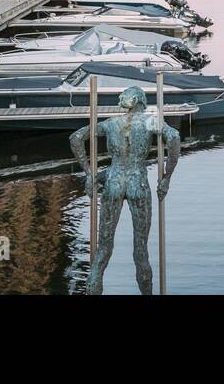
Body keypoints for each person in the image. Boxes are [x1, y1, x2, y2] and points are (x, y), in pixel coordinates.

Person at [70, 85, 181, 295]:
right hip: (137, 182)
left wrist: (89, 173)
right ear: (140, 101)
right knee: (141, 252)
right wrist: (167, 177)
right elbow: (174, 137)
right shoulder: (149, 121)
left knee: (102, 251)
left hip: (113, 181)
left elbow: (75, 138)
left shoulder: (111, 123)